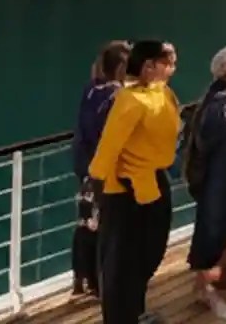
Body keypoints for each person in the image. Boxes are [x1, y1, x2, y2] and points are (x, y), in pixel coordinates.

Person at [88, 40, 180, 324]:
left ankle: (135, 313)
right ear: (149, 65)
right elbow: (109, 147)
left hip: (154, 181)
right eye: (168, 63)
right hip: (126, 188)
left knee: (148, 254)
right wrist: (104, 188)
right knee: (122, 261)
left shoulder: (162, 93)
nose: (173, 68)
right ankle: (121, 318)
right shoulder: (129, 100)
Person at [185, 46, 226, 319]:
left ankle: (216, 278)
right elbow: (211, 141)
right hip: (220, 178)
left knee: (222, 227)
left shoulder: (223, 98)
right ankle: (202, 288)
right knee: (211, 230)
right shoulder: (222, 103)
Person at [71, 40, 131, 299]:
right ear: (121, 68)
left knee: (87, 222)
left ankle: (82, 277)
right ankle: (101, 281)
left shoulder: (90, 89)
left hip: (86, 166)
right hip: (107, 169)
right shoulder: (117, 96)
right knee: (109, 226)